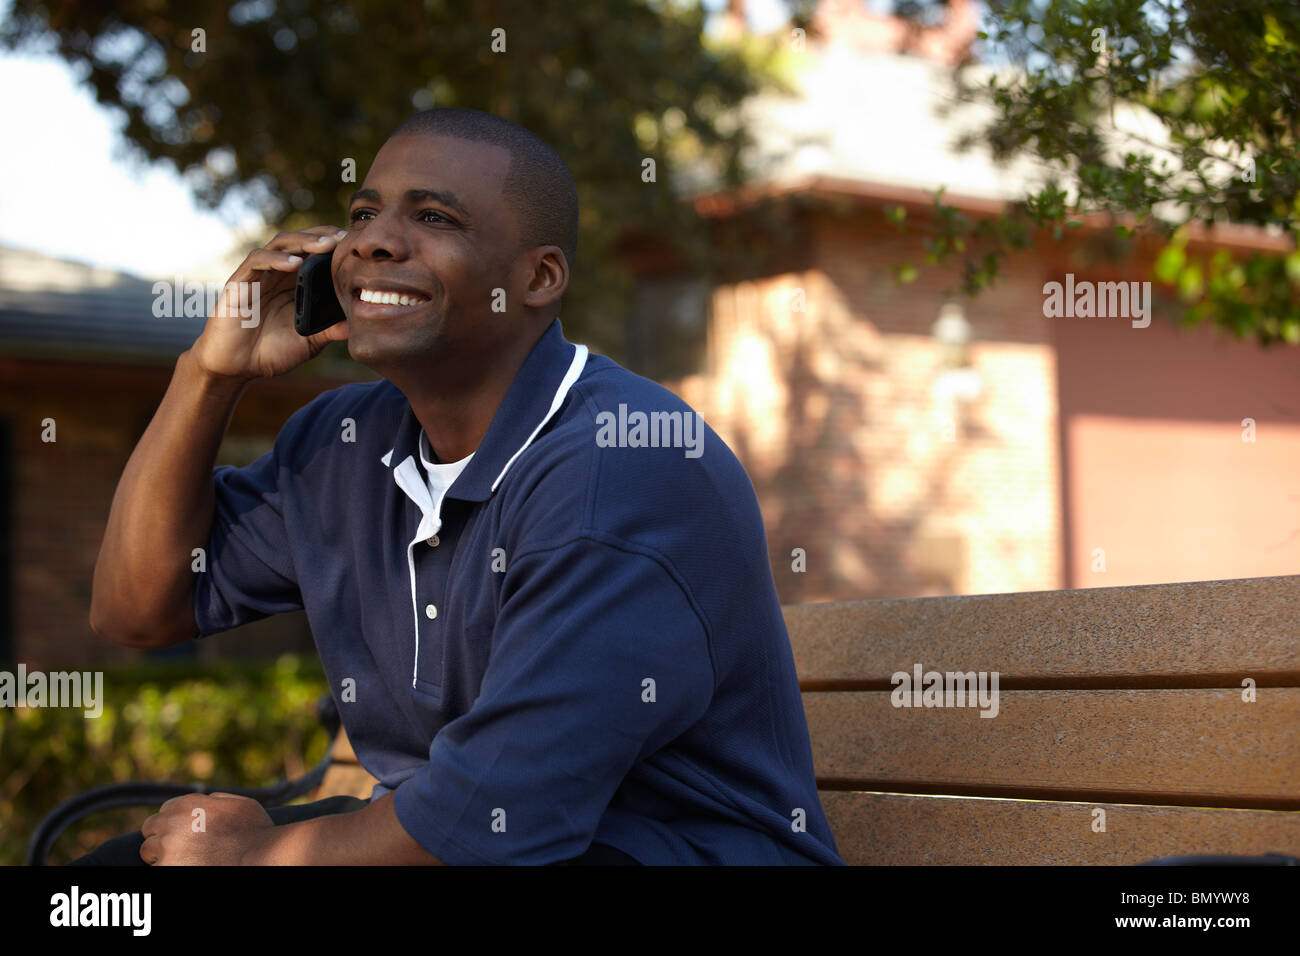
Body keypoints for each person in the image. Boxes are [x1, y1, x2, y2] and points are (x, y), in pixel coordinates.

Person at [80, 107, 844, 866]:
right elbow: (139, 609)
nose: (374, 240)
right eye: (362, 214)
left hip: (654, 850)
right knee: (112, 881)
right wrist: (208, 375)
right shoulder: (341, 444)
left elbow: (499, 818)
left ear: (538, 278)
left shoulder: (625, 466)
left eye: (435, 216)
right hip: (465, 840)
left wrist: (255, 856)